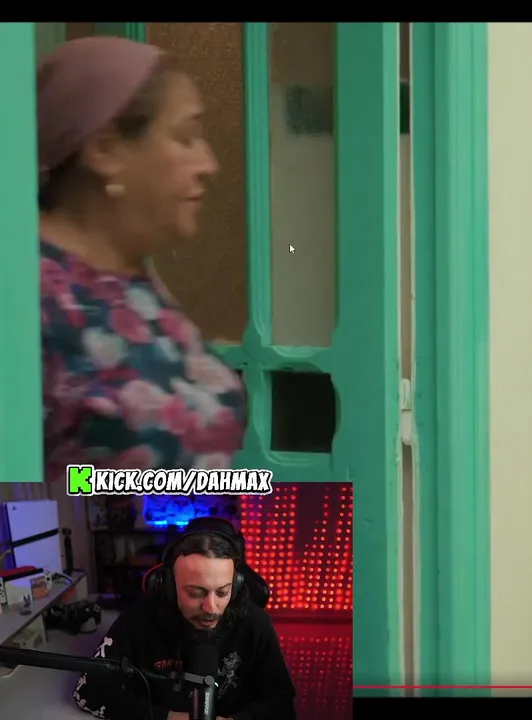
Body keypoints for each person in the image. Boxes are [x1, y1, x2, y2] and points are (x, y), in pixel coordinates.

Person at [38, 36, 246, 481]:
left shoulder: (134, 280)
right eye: (185, 137)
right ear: (105, 150)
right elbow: (20, 513)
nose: (209, 164)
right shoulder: (30, 294)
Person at [73, 524, 297, 719]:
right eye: (196, 593)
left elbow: (281, 702)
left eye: (222, 592)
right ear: (170, 587)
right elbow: (88, 691)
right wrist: (167, 718)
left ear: (236, 585)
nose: (211, 608)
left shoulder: (256, 624)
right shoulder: (137, 620)